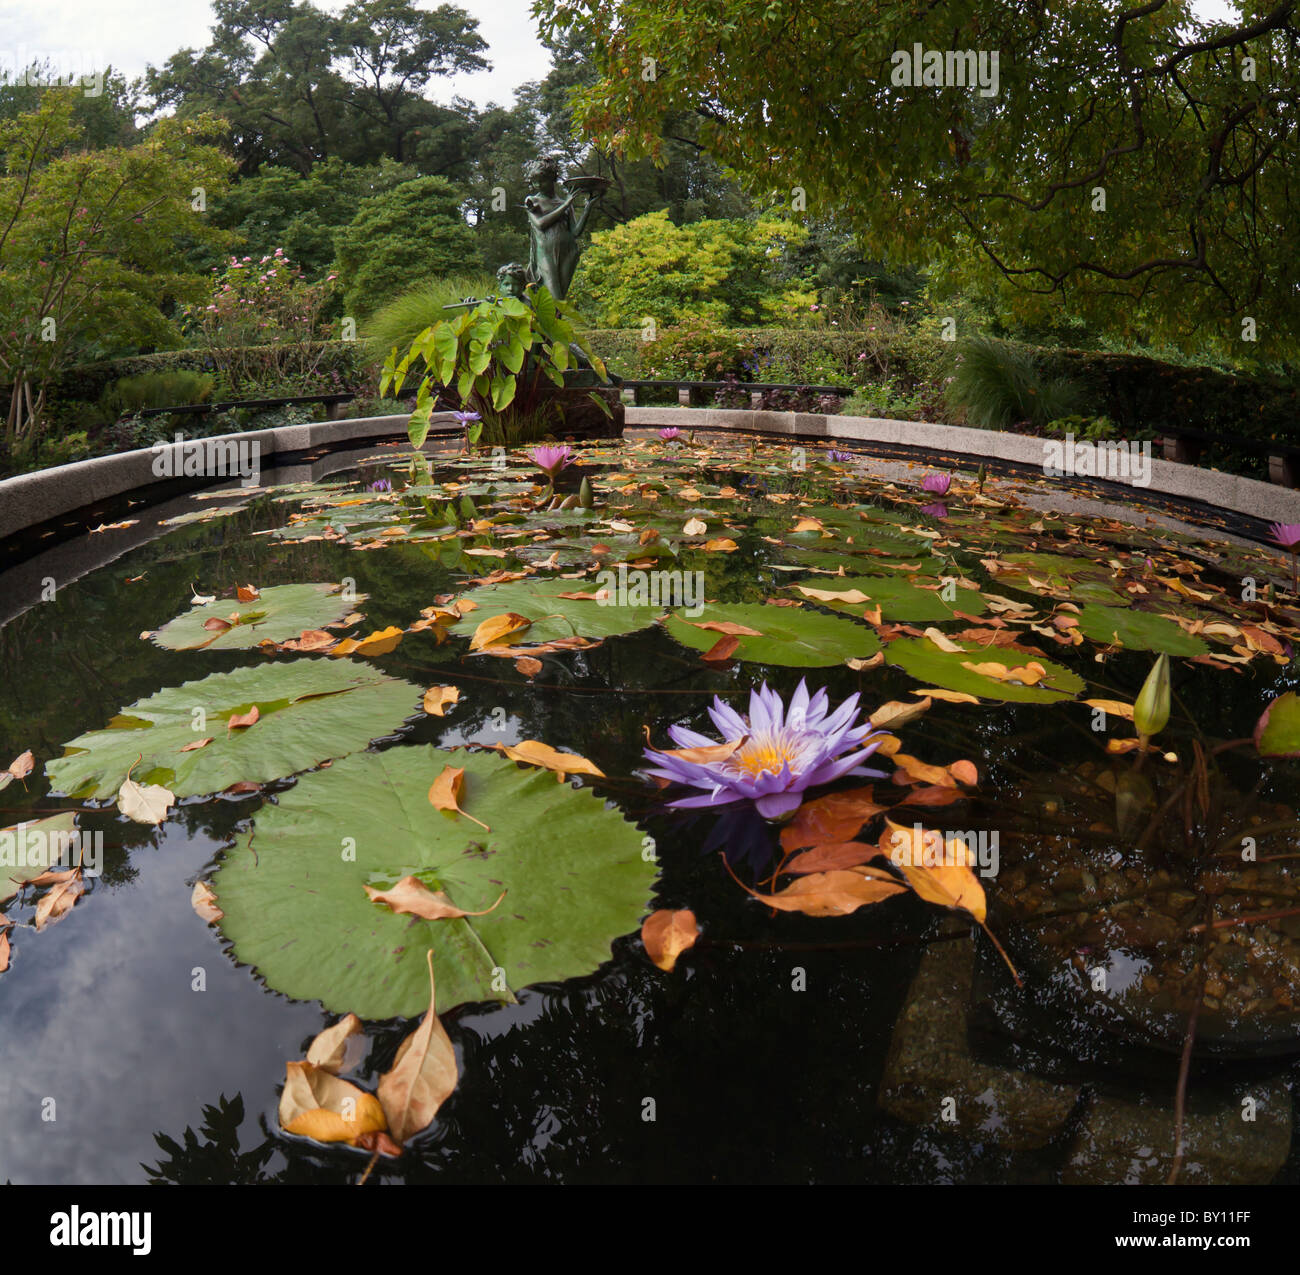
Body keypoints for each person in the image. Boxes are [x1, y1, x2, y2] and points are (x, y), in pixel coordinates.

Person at [523, 155, 592, 301]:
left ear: (552, 179)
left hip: (568, 252)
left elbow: (575, 232)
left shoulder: (564, 202)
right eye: (534, 182)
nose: (538, 185)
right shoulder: (532, 201)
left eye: (542, 181)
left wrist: (588, 208)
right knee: (554, 297)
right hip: (545, 254)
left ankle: (554, 323)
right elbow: (541, 224)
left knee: (560, 297)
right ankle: (547, 322)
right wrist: (566, 205)